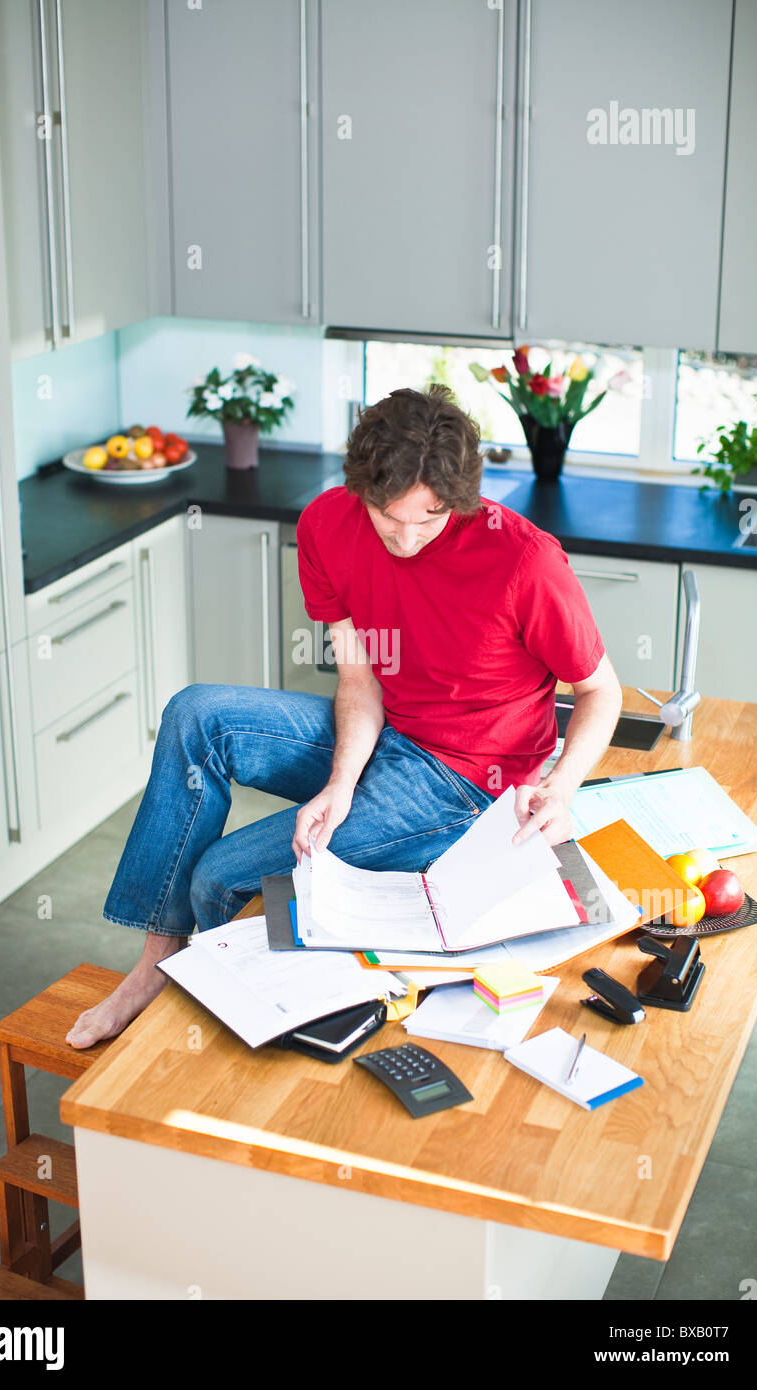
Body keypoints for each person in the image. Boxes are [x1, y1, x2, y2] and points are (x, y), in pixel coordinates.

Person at [66, 384, 622, 1049]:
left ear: (460, 496)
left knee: (220, 874)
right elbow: (360, 680)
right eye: (391, 519)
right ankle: (157, 964)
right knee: (197, 716)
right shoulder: (327, 525)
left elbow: (600, 691)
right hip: (387, 731)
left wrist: (560, 787)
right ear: (361, 491)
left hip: (466, 779)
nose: (410, 537)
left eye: (432, 516)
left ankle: (215, 1033)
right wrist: (340, 783)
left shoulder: (524, 561)